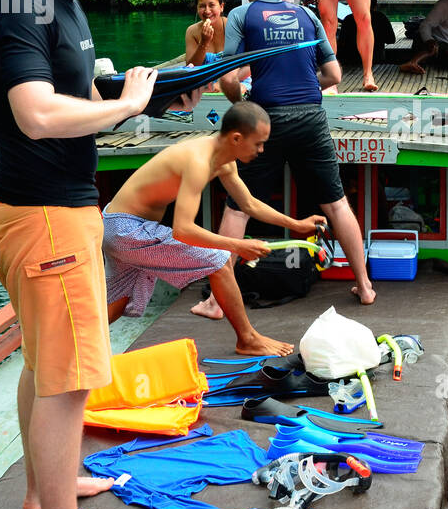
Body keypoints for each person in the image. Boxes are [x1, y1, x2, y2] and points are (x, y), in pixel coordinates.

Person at [0, 0, 158, 509]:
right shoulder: (24, 4)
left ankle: (43, 486)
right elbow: (34, 113)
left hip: (51, 211)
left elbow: (77, 96)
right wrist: (126, 107)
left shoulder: (68, 5)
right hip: (45, 215)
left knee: (44, 363)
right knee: (69, 379)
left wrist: (149, 95)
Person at [193, 0, 377, 311]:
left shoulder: (243, 16)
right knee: (337, 203)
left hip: (266, 118)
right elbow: (334, 76)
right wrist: (306, 85)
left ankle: (217, 299)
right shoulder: (307, 15)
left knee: (239, 207)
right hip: (311, 117)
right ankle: (365, 286)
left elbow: (229, 77)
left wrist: (240, 100)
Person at [103, 102, 323, 356]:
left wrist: (296, 224)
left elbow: (249, 203)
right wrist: (239, 245)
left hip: (119, 226)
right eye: (258, 143)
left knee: (117, 303)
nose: (262, 150)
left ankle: (70, 346)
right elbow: (182, 230)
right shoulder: (198, 162)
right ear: (237, 138)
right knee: (219, 261)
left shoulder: (223, 160)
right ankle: (247, 339)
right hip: (127, 230)